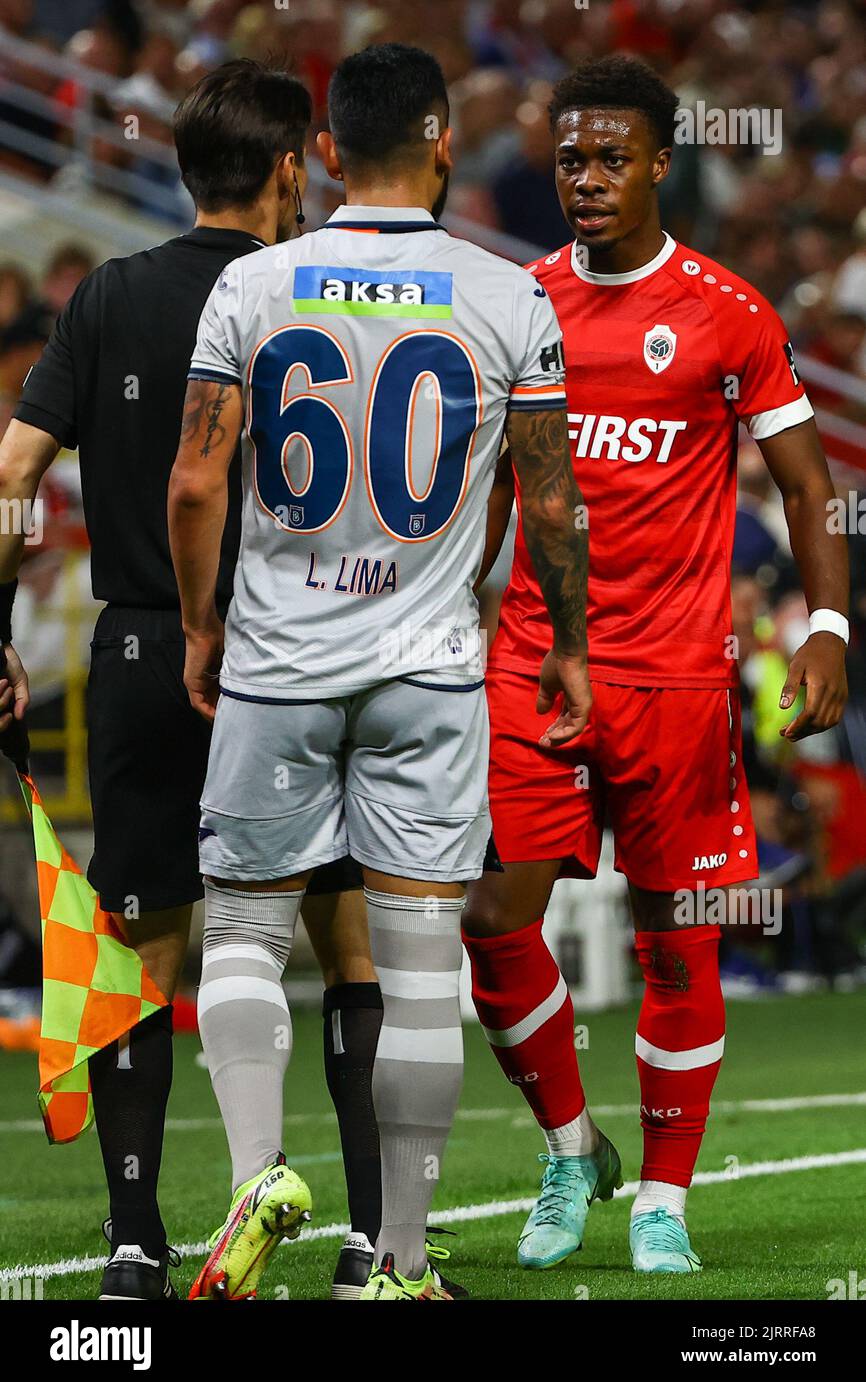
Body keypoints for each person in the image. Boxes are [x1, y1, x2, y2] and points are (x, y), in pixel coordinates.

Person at [168, 41, 591, 1303]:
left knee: (241, 929)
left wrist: (202, 624)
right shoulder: (508, 296)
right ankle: (396, 1262)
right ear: (445, 141)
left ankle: (258, 1178)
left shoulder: (256, 284)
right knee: (417, 961)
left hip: (280, 661)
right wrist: (561, 641)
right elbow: (551, 500)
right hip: (429, 670)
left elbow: (197, 477)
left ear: (328, 155)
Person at [0, 59, 382, 1301]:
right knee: (346, 941)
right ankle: (373, 1243)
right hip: (301, 647)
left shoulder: (109, 294)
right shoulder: (324, 293)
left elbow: (13, 472)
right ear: (290, 167)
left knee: (144, 956)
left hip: (140, 651)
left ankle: (129, 1246)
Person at [465, 55, 849, 1276]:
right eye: (568, 159)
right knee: (490, 918)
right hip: (531, 659)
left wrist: (826, 631)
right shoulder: (520, 300)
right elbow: (485, 485)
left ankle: (665, 1196)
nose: (584, 180)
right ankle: (572, 1146)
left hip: (679, 677)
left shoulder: (728, 312)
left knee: (676, 940)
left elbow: (804, 482)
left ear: (660, 165)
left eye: (609, 159)